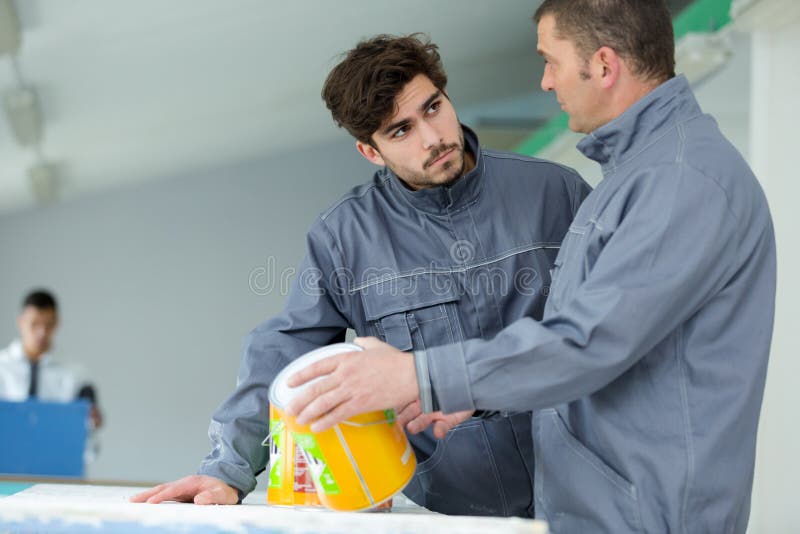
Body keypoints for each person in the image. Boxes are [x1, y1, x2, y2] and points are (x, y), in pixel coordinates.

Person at [285, 2, 776, 532]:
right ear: (371, 151)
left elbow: (588, 343)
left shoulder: (678, 182)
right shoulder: (635, 179)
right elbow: (598, 353)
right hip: (591, 513)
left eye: (551, 61)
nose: (544, 82)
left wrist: (418, 376)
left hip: (646, 518)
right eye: (400, 130)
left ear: (604, 66)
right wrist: (475, 397)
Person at [131, 34, 590, 515]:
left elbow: (606, 333)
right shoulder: (343, 238)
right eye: (400, 131)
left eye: (433, 108)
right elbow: (285, 356)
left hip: (581, 500)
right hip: (447, 514)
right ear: (370, 152)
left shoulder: (556, 193)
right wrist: (225, 469)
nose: (432, 138)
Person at [0, 289, 103, 429]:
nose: (41, 332)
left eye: (48, 324)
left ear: (57, 323)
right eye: (34, 324)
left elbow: (86, 428)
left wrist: (91, 419)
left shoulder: (75, 375)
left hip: (55, 449)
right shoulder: (2, 366)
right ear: (20, 322)